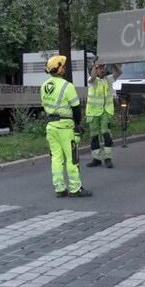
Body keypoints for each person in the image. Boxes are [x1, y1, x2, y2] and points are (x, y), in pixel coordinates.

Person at [40, 55, 92, 197]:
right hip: (65, 127)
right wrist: (77, 124)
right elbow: (76, 109)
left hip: (51, 126)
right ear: (60, 70)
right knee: (72, 158)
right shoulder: (67, 86)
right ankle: (75, 188)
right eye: (63, 66)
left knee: (56, 158)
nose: (65, 68)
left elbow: (44, 105)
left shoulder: (44, 86)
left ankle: (59, 188)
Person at [86, 60, 122, 168]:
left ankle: (108, 158)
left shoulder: (108, 79)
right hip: (93, 113)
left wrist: (113, 61)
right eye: (100, 68)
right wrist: (94, 65)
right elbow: (92, 76)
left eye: (103, 68)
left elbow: (119, 72)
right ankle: (96, 159)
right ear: (95, 70)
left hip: (105, 112)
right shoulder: (92, 80)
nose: (102, 70)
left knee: (107, 135)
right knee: (94, 137)